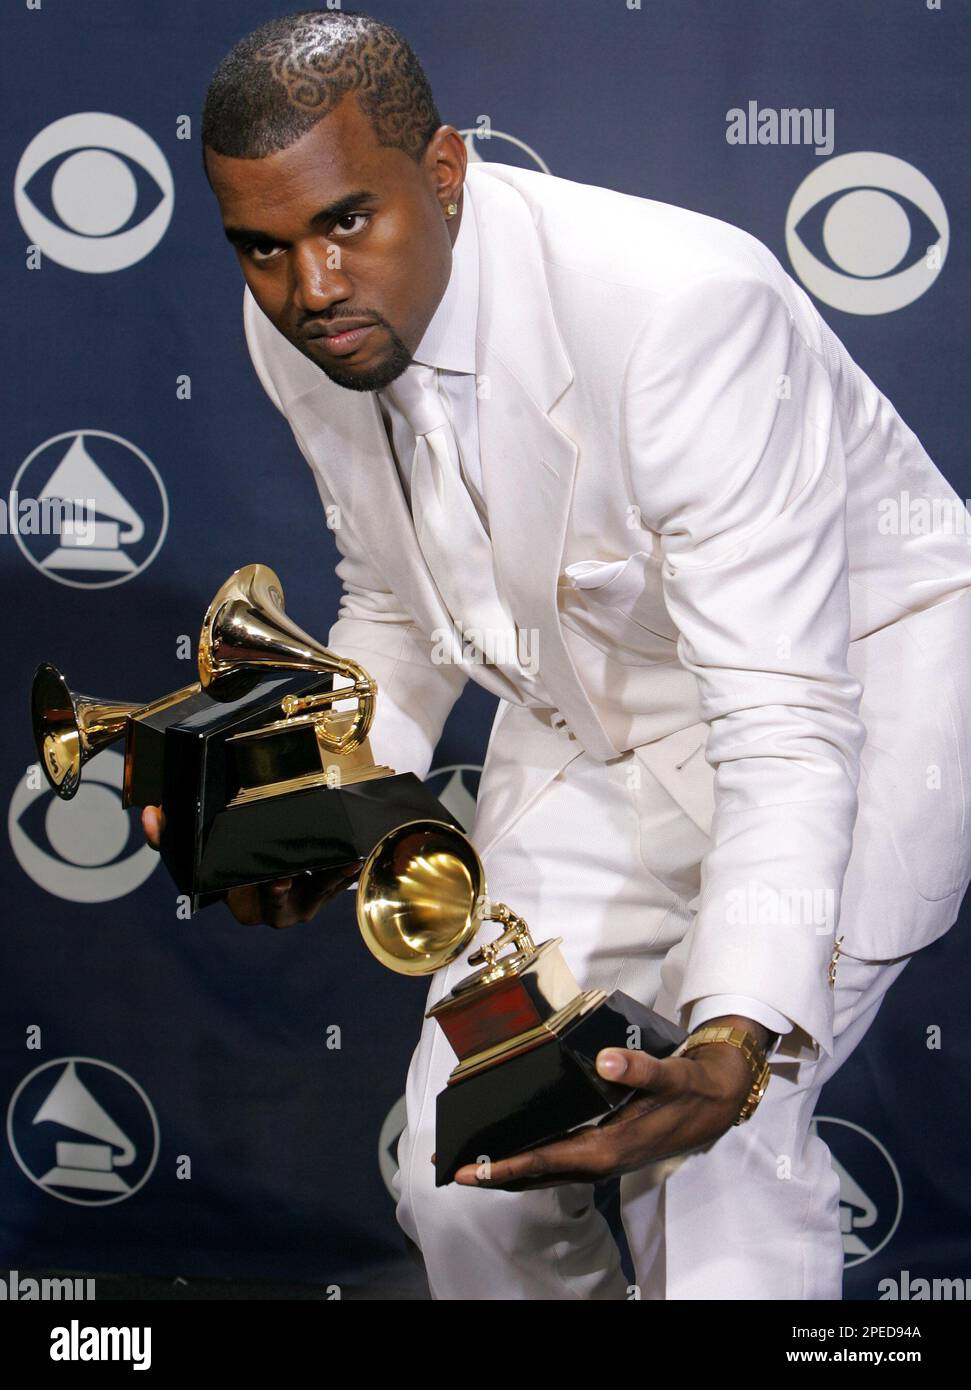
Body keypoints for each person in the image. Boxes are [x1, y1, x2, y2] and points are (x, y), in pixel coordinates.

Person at [143, 9, 971, 1299]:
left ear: (447, 171)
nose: (311, 286)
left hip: (859, 694)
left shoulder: (685, 310)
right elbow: (399, 600)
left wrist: (735, 1033)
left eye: (348, 220)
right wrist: (322, 808)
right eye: (263, 246)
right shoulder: (301, 331)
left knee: (715, 1158)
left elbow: (786, 715)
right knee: (465, 1170)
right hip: (591, 714)